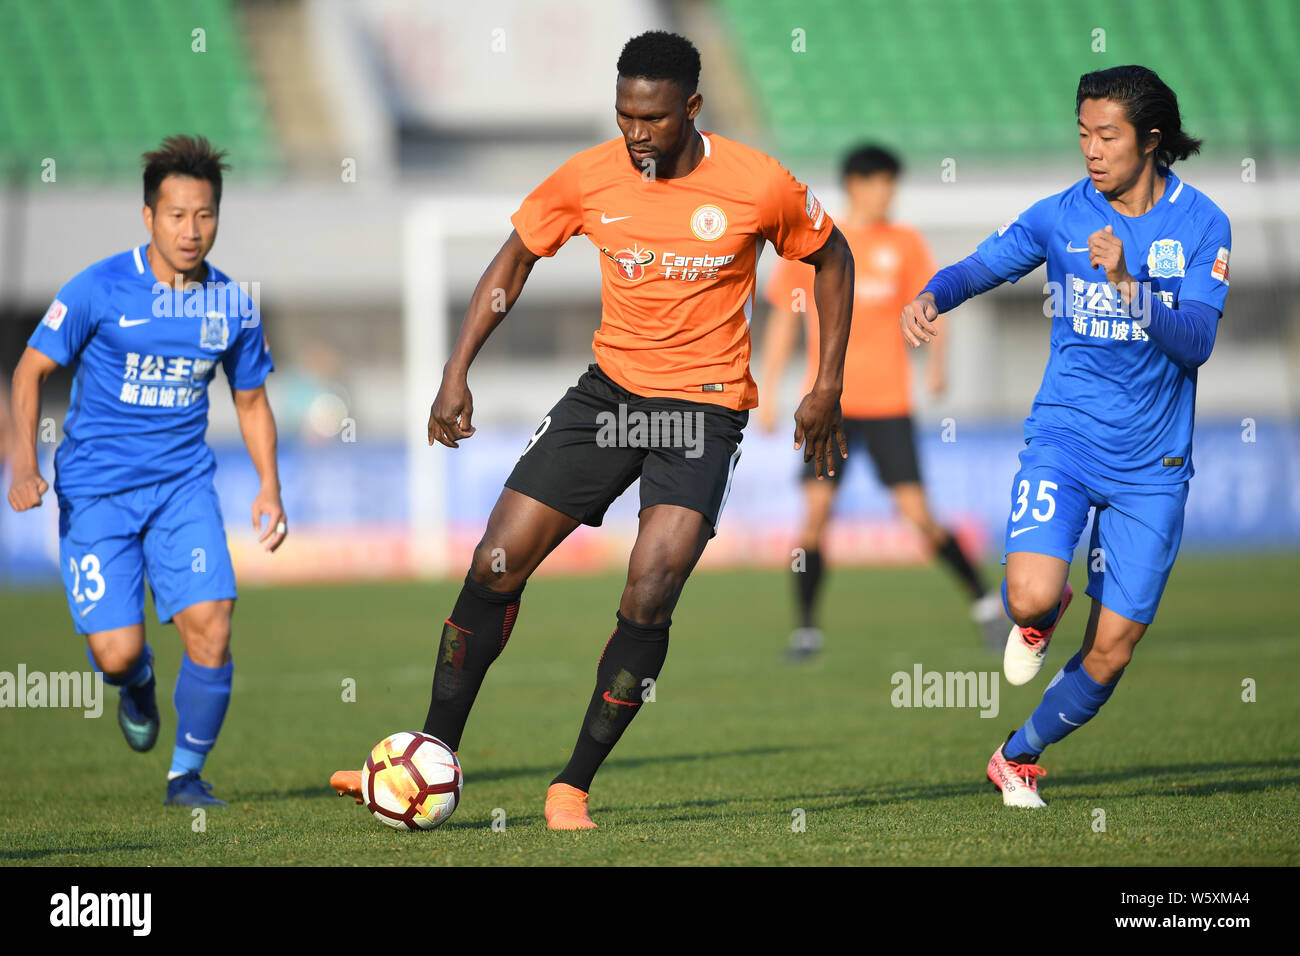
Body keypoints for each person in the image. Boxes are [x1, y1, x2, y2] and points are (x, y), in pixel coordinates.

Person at [331, 30, 854, 829]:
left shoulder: (756, 183)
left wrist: (826, 382)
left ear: (692, 108)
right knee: (495, 563)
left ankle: (572, 783)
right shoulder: (589, 176)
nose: (635, 133)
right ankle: (427, 756)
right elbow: (513, 261)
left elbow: (833, 255)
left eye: (651, 118)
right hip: (609, 400)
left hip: (702, 412)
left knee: (650, 592)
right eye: (623, 116)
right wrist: (455, 367)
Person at [901, 66, 1230, 807]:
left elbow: (1196, 343)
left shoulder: (1203, 224)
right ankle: (1042, 616)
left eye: (1107, 135)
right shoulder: (1062, 215)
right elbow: (984, 265)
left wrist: (1127, 286)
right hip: (1066, 440)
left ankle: (1017, 755)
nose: (1091, 148)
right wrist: (932, 296)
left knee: (1112, 651)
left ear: (1151, 139)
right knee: (1027, 595)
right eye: (1082, 133)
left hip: (1154, 464)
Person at [7, 135, 286, 807]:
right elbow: (29, 369)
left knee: (213, 624)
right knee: (116, 653)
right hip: (95, 493)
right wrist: (22, 458)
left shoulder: (230, 304)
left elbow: (250, 401)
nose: (192, 231)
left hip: (182, 489)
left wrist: (270, 486)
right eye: (177, 216)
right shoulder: (99, 288)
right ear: (148, 217)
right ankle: (135, 681)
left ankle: (185, 776)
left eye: (206, 215)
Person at [759, 144, 1004, 659]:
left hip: (890, 402)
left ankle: (984, 605)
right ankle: (806, 630)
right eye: (880, 183)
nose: (888, 193)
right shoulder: (815, 242)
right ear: (855, 184)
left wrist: (937, 365)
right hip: (830, 406)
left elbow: (933, 304)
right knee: (814, 520)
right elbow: (784, 318)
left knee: (918, 515)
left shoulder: (905, 243)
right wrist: (769, 391)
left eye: (892, 184)